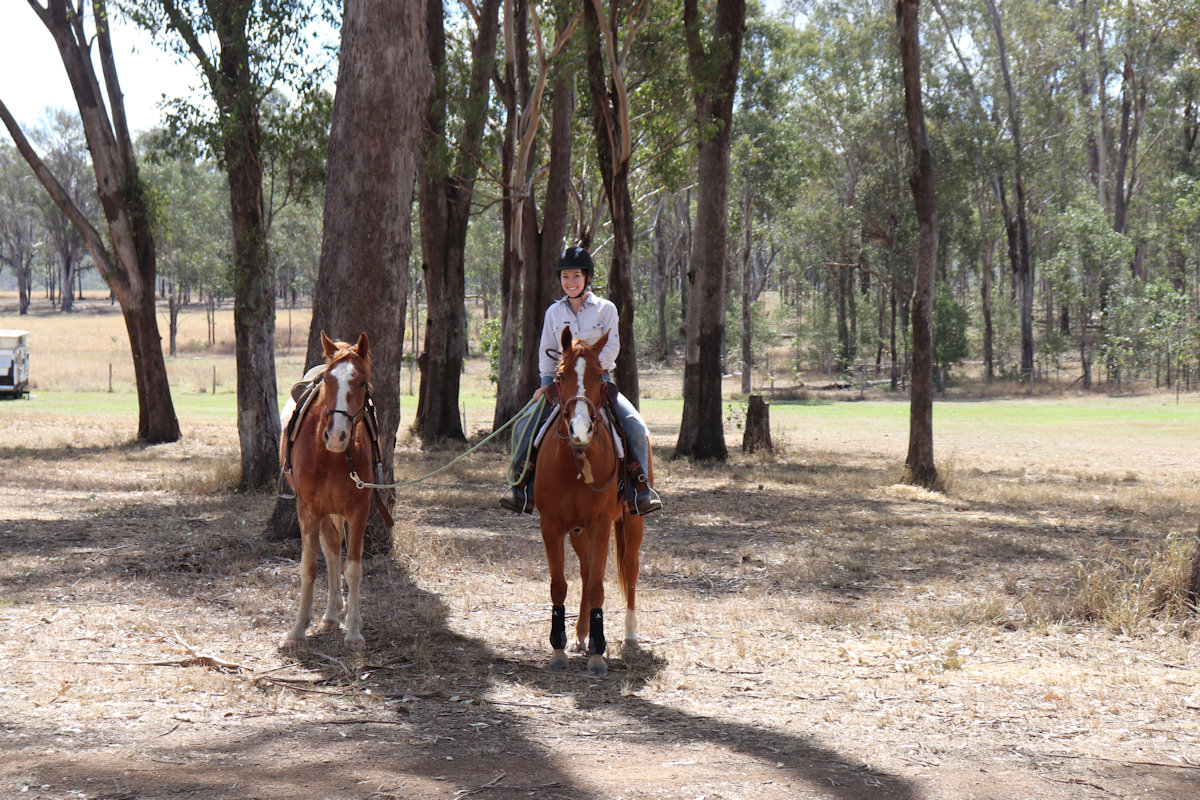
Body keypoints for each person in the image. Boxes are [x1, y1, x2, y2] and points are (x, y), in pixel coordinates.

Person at [500, 246, 662, 516]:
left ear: (587, 277)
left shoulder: (605, 309)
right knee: (524, 425)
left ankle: (640, 490)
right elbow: (547, 351)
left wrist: (587, 364)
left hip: (598, 382)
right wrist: (544, 383)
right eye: (565, 277)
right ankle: (520, 488)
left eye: (576, 276)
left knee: (634, 426)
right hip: (563, 383)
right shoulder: (553, 312)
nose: (570, 282)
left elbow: (611, 348)